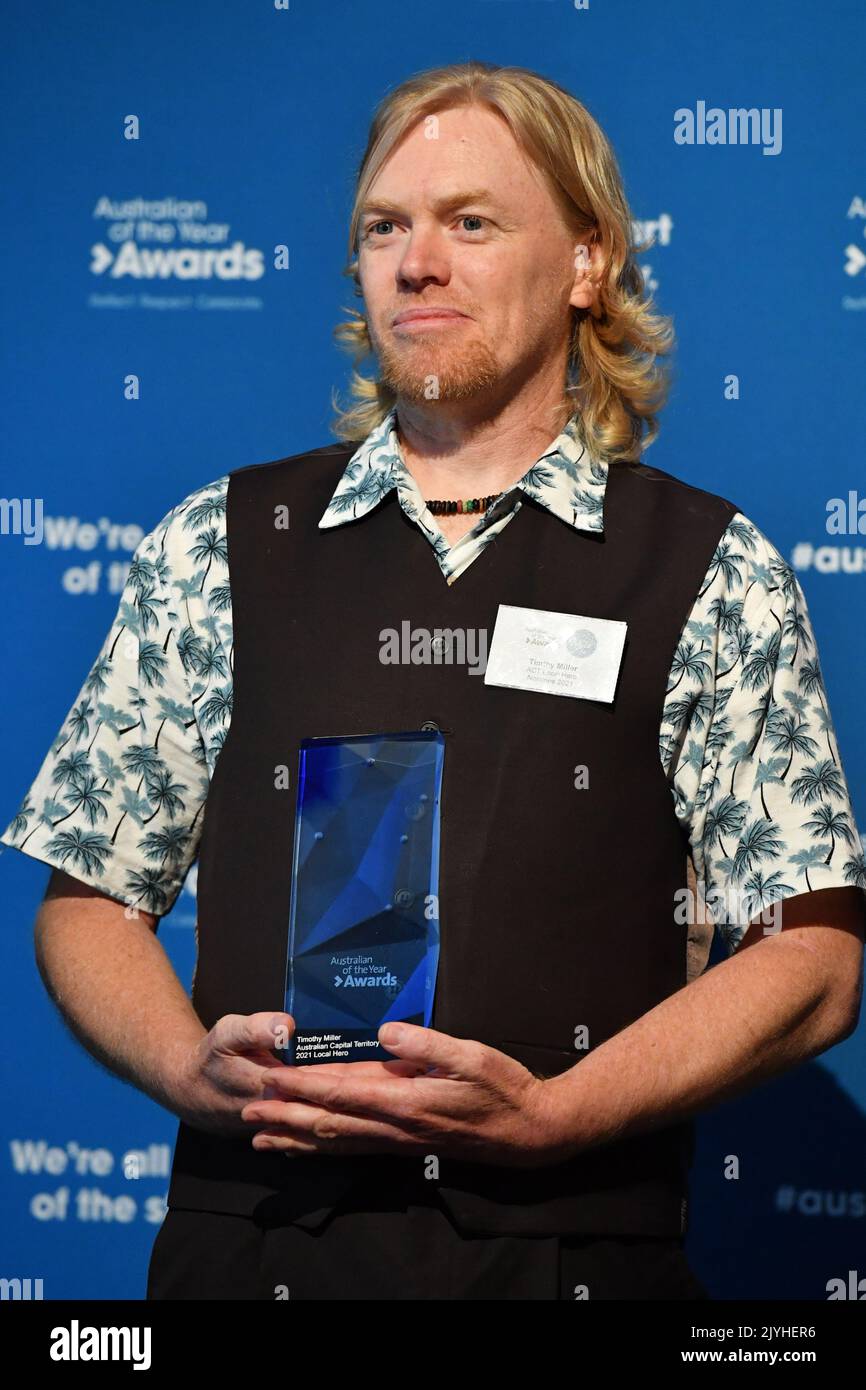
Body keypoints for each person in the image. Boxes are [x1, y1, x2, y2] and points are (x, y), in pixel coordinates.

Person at [2, 61, 864, 1302]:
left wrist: (557, 1114)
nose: (417, 262)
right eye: (384, 227)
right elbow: (88, 899)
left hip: (570, 1257)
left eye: (469, 221)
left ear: (584, 264)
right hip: (252, 1252)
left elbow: (810, 956)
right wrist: (191, 1071)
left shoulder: (708, 568)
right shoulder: (220, 543)